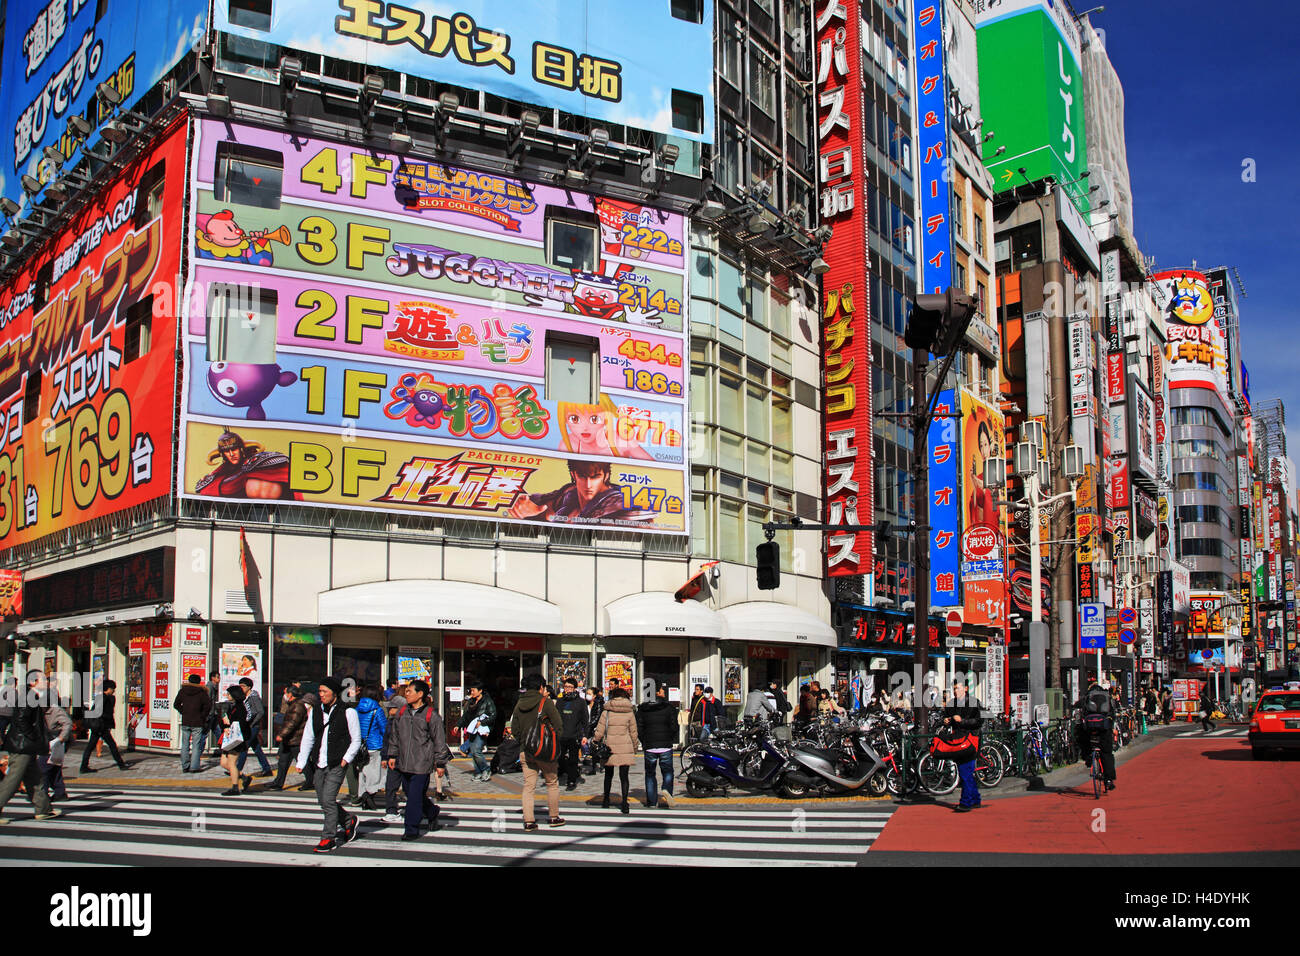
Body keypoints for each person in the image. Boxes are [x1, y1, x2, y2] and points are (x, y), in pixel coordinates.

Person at [296, 676, 362, 853]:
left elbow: (356, 739)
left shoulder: (348, 712)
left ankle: (328, 838)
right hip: (319, 762)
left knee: (328, 800)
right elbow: (308, 736)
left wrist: (346, 758)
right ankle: (348, 821)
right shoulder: (316, 711)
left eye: (325, 691)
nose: (321, 695)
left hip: (337, 762)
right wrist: (302, 760)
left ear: (334, 693)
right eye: (320, 691)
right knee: (323, 800)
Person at [382, 680, 449, 842]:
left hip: (422, 764)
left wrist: (440, 763)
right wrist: (392, 755)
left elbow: (439, 741)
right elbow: (395, 736)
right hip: (403, 762)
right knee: (413, 794)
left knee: (413, 798)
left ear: (420, 694)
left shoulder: (431, 716)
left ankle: (411, 829)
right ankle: (432, 812)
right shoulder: (401, 713)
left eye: (410, 691)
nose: (406, 693)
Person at [507, 459, 652, 525]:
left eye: (595, 477)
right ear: (574, 475)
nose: (588, 484)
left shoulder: (616, 502)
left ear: (606, 476)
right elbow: (540, 505)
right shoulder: (569, 494)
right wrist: (528, 509)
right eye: (582, 477)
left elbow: (645, 522)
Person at [0, 671, 59, 823]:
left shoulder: (32, 696)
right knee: (12, 781)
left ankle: (43, 810)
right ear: (33, 682)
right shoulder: (29, 697)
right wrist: (33, 736)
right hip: (22, 746)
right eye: (43, 679)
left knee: (35, 779)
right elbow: (21, 719)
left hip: (26, 746)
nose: (46, 681)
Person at [510, 673, 565, 831]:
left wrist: (524, 741)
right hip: (545, 751)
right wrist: (552, 741)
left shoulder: (519, 704)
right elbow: (558, 725)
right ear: (541, 687)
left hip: (526, 751)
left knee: (528, 786)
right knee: (552, 783)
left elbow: (514, 728)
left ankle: (528, 821)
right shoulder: (545, 702)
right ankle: (554, 817)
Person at [593, 686, 639, 814]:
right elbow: (633, 732)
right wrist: (634, 747)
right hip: (625, 746)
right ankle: (624, 803)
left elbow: (600, 731)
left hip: (610, 747)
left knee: (608, 775)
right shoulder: (630, 712)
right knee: (624, 777)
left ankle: (606, 800)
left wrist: (594, 741)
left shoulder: (606, 712)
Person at [941, 681, 984, 812]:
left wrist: (962, 721)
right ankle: (975, 799)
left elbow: (980, 720)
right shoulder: (951, 704)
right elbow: (946, 717)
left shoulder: (973, 702)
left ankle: (966, 802)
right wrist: (947, 720)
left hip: (970, 739)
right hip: (958, 739)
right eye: (954, 689)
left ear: (965, 689)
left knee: (965, 771)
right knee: (966, 771)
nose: (955, 691)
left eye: (958, 688)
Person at [636, 684, 677, 808]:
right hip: (665, 744)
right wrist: (670, 738)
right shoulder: (669, 708)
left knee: (650, 773)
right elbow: (674, 726)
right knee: (668, 771)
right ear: (657, 692)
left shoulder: (642, 709)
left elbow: (639, 728)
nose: (663, 692)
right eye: (661, 690)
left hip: (649, 745)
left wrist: (644, 741)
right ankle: (666, 790)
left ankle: (652, 801)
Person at [1074, 680, 1116, 790]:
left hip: (1090, 728)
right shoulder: (1108, 697)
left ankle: (1088, 757)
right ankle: (1108, 779)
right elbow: (1113, 713)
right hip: (1104, 728)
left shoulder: (1087, 697)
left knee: (1084, 739)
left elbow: (1077, 708)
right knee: (1106, 753)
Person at [354, 683, 388, 811]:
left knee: (363, 772)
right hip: (375, 744)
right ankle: (369, 794)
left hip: (361, 746)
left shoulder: (357, 708)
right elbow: (384, 728)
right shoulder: (377, 710)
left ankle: (363, 796)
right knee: (375, 773)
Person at [80, 680, 127, 773]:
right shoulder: (105, 698)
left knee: (90, 746)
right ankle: (121, 764)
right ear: (108, 689)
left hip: (97, 726)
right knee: (112, 745)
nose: (113, 691)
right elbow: (105, 713)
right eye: (112, 689)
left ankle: (83, 766)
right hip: (102, 726)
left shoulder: (99, 698)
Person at [38, 677, 73, 802]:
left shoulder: (56, 710)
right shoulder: (40, 711)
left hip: (57, 741)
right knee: (54, 766)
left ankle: (43, 795)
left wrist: (61, 738)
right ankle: (60, 792)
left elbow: (68, 724)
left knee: (44, 767)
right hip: (49, 741)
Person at [269, 683, 307, 791]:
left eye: (286, 693)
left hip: (295, 739)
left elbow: (292, 723)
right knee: (283, 762)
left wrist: (281, 735)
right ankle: (278, 782)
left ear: (290, 694)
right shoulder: (294, 704)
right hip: (290, 739)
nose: (284, 696)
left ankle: (310, 780)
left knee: (302, 762)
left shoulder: (297, 705)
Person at [218, 685, 254, 796]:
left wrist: (228, 724)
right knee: (224, 763)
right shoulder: (232, 706)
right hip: (229, 738)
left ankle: (235, 787)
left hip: (236, 739)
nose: (227, 696)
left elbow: (241, 724)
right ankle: (244, 777)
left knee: (232, 763)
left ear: (234, 695)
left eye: (229, 694)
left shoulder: (239, 708)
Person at [174, 674, 214, 773]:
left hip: (186, 720)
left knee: (185, 744)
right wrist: (202, 715)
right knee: (196, 745)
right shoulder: (202, 692)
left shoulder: (183, 691)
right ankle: (194, 767)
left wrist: (183, 711)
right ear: (199, 682)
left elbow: (176, 704)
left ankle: (185, 765)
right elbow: (208, 706)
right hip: (198, 721)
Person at [458, 680, 497, 783]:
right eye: (471, 690)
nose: (472, 692)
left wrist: (482, 722)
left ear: (480, 691)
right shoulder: (471, 701)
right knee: (473, 752)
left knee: (476, 751)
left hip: (481, 730)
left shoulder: (487, 701)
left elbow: (493, 715)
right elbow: (466, 716)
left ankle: (485, 769)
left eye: (473, 690)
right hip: (472, 729)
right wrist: (458, 725)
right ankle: (478, 772)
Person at [554, 677, 589, 791]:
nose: (568, 689)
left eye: (570, 687)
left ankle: (571, 780)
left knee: (573, 760)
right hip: (561, 735)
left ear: (575, 688)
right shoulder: (560, 701)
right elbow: (555, 718)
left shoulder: (580, 702)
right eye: (566, 687)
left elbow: (585, 720)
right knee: (560, 757)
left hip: (575, 735)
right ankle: (565, 771)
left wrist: (585, 735)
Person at [235, 677, 272, 778]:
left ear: (249, 687)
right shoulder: (244, 697)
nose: (241, 688)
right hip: (247, 725)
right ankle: (267, 768)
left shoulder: (254, 697)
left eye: (243, 686)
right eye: (240, 686)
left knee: (244, 748)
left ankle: (237, 770)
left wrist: (252, 723)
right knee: (256, 748)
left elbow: (260, 712)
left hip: (252, 726)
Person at [202, 672, 223, 757]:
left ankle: (223, 749)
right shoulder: (210, 687)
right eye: (217, 677)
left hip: (213, 714)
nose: (219, 679)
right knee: (204, 734)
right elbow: (207, 701)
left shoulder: (213, 687)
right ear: (212, 678)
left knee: (218, 732)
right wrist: (208, 714)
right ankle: (199, 752)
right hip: (210, 714)